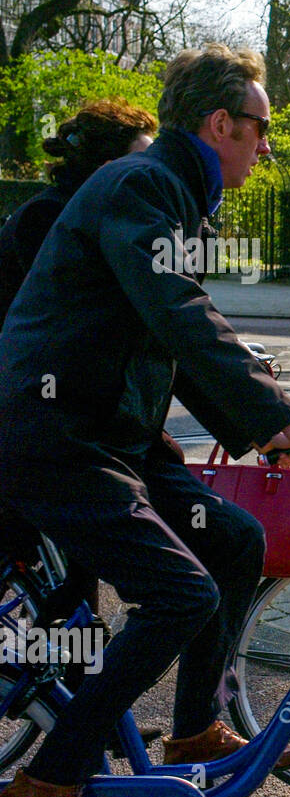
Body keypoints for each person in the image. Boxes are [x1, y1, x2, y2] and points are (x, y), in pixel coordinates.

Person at [0, 44, 290, 797]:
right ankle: (45, 785)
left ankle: (193, 732)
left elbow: (172, 342)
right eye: (259, 128)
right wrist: (280, 416)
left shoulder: (174, 197)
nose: (266, 146)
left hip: (113, 433)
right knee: (180, 593)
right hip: (57, 435)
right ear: (219, 122)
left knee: (233, 542)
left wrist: (270, 430)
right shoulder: (143, 184)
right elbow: (181, 312)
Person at [0, 100, 158, 627]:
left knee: (67, 580)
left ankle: (70, 693)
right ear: (106, 167)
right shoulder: (49, 218)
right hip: (33, 421)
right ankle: (66, 695)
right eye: (139, 160)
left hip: (56, 420)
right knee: (59, 578)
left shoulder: (81, 214)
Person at [0, 100, 156, 324]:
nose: (154, 173)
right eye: (143, 164)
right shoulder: (47, 214)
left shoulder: (76, 209)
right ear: (108, 169)